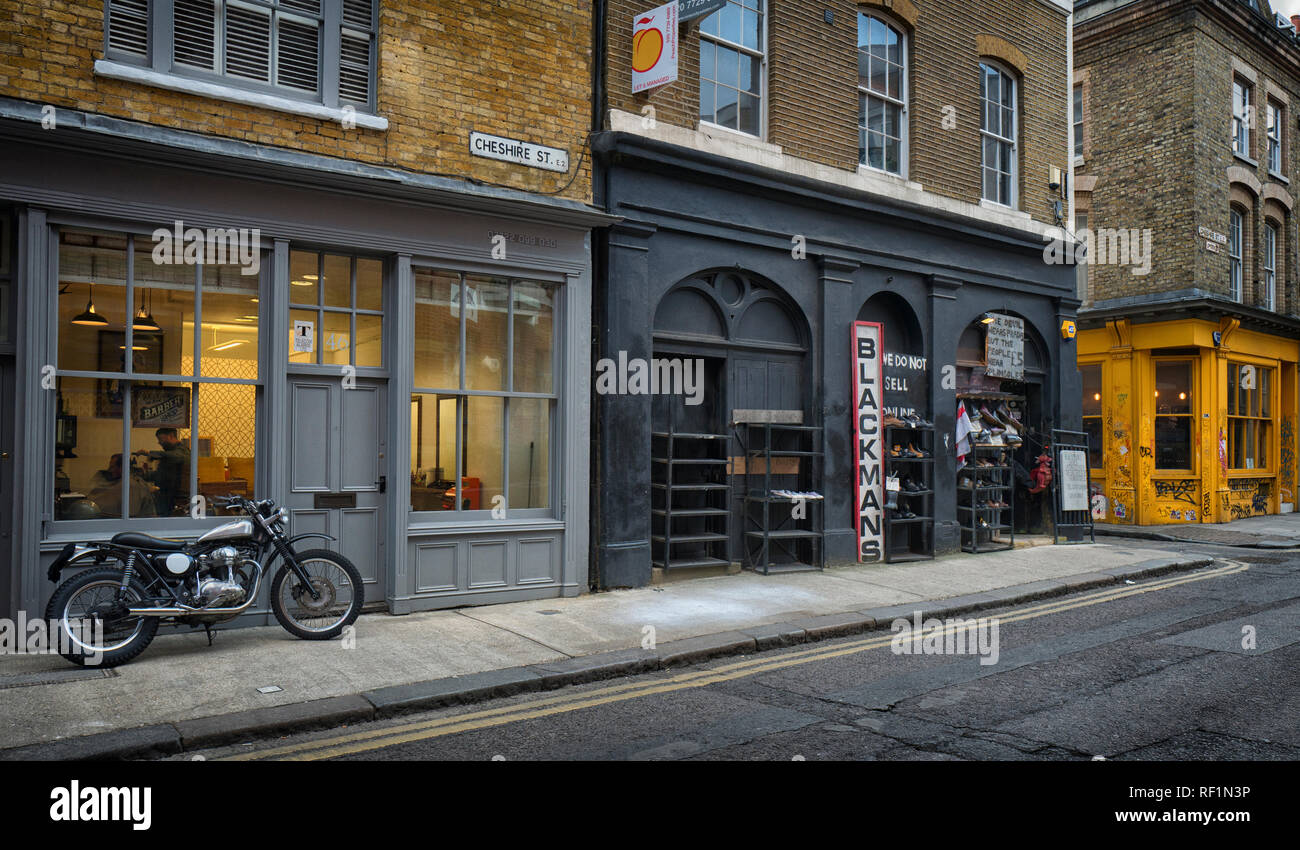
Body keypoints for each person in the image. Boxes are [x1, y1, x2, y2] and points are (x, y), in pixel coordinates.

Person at [138, 428, 190, 516]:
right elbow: (162, 473)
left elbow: (178, 457)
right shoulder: (169, 454)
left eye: (161, 439)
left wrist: (150, 453)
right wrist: (143, 475)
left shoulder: (182, 451)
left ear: (171, 436)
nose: (159, 442)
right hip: (167, 494)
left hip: (177, 496)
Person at [88, 453, 155, 518]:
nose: (110, 470)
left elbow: (130, 516)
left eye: (112, 467)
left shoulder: (132, 485)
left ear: (122, 468)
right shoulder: (115, 481)